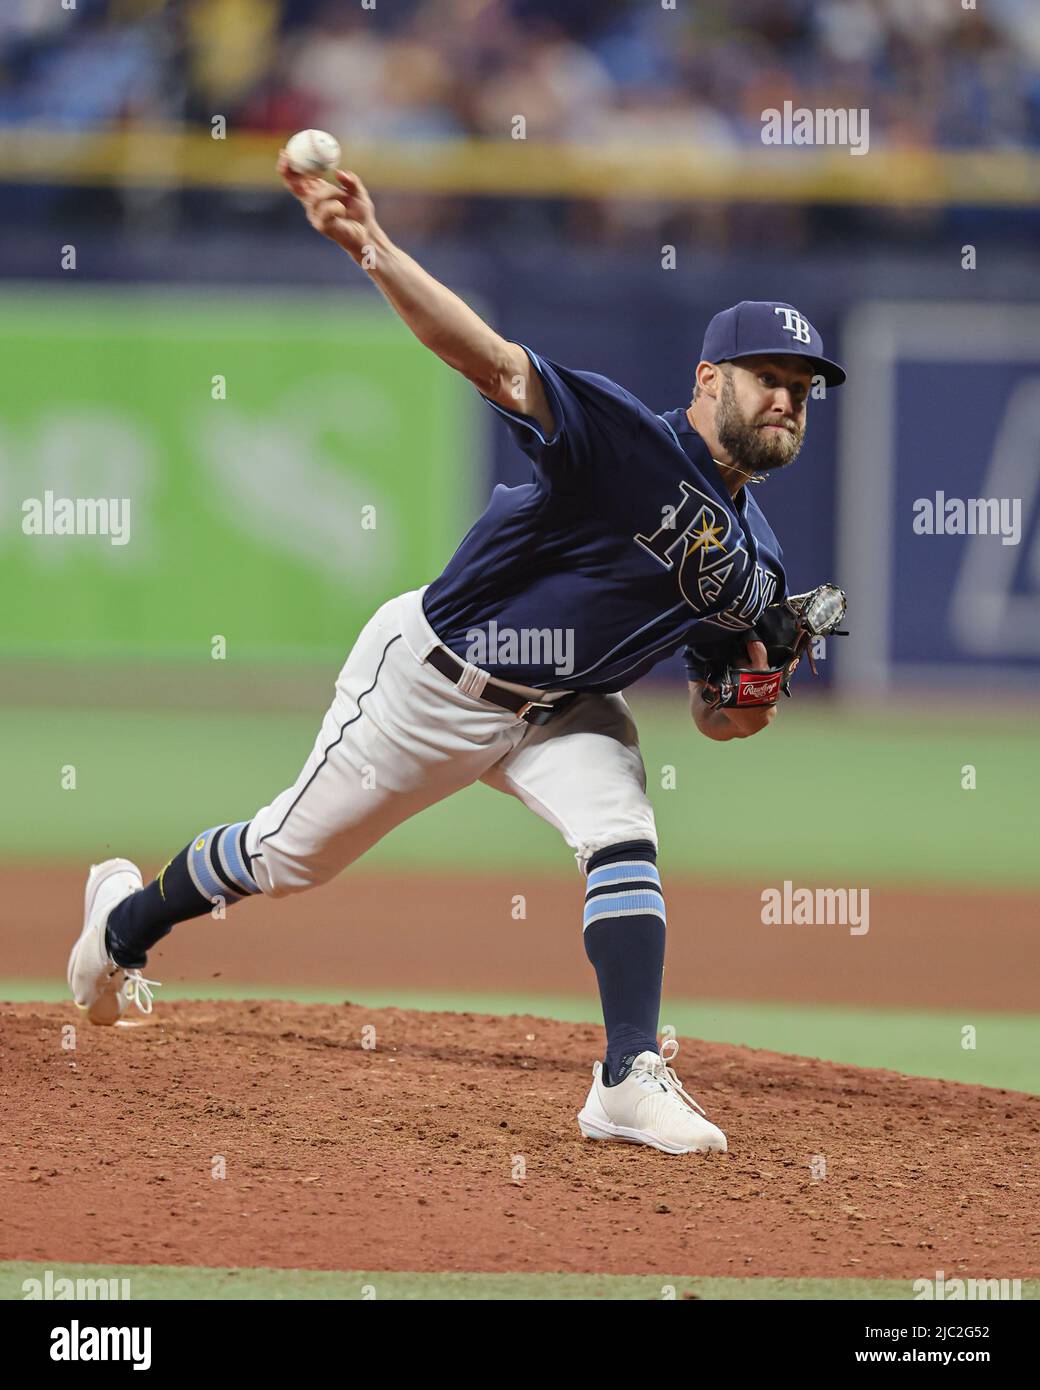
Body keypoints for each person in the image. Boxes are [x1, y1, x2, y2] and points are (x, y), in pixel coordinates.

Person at [67, 155, 846, 1156]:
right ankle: (119, 927)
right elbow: (492, 362)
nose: (787, 399)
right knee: (285, 856)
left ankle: (624, 1077)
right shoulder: (626, 443)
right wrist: (372, 246)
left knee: (621, 829)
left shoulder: (758, 559)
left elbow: (718, 716)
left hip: (563, 706)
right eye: (767, 378)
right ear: (708, 380)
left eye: (801, 388)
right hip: (432, 682)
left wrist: (755, 685)